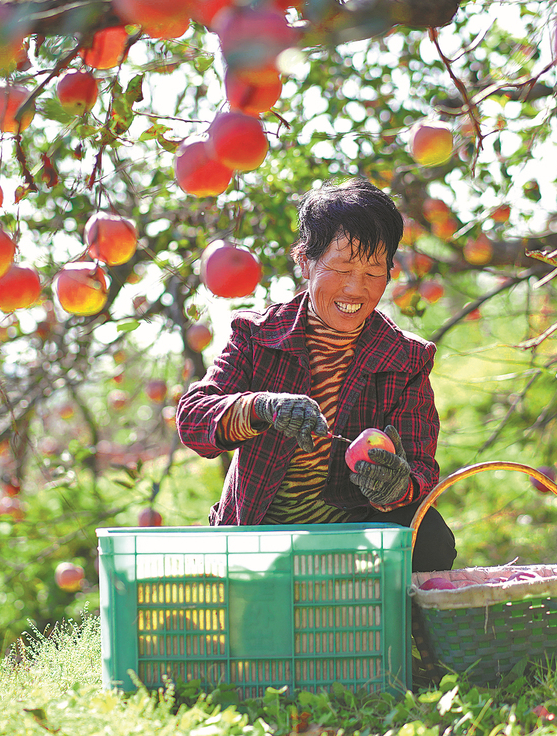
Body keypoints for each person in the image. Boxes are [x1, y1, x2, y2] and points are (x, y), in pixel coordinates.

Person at [176, 177, 456, 572]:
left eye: (373, 273)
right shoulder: (257, 337)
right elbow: (193, 421)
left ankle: (403, 633)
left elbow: (422, 467)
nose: (356, 289)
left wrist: (397, 485)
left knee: (429, 537)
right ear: (305, 261)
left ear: (390, 273)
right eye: (342, 268)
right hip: (260, 533)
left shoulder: (405, 360)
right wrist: (261, 406)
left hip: (352, 539)